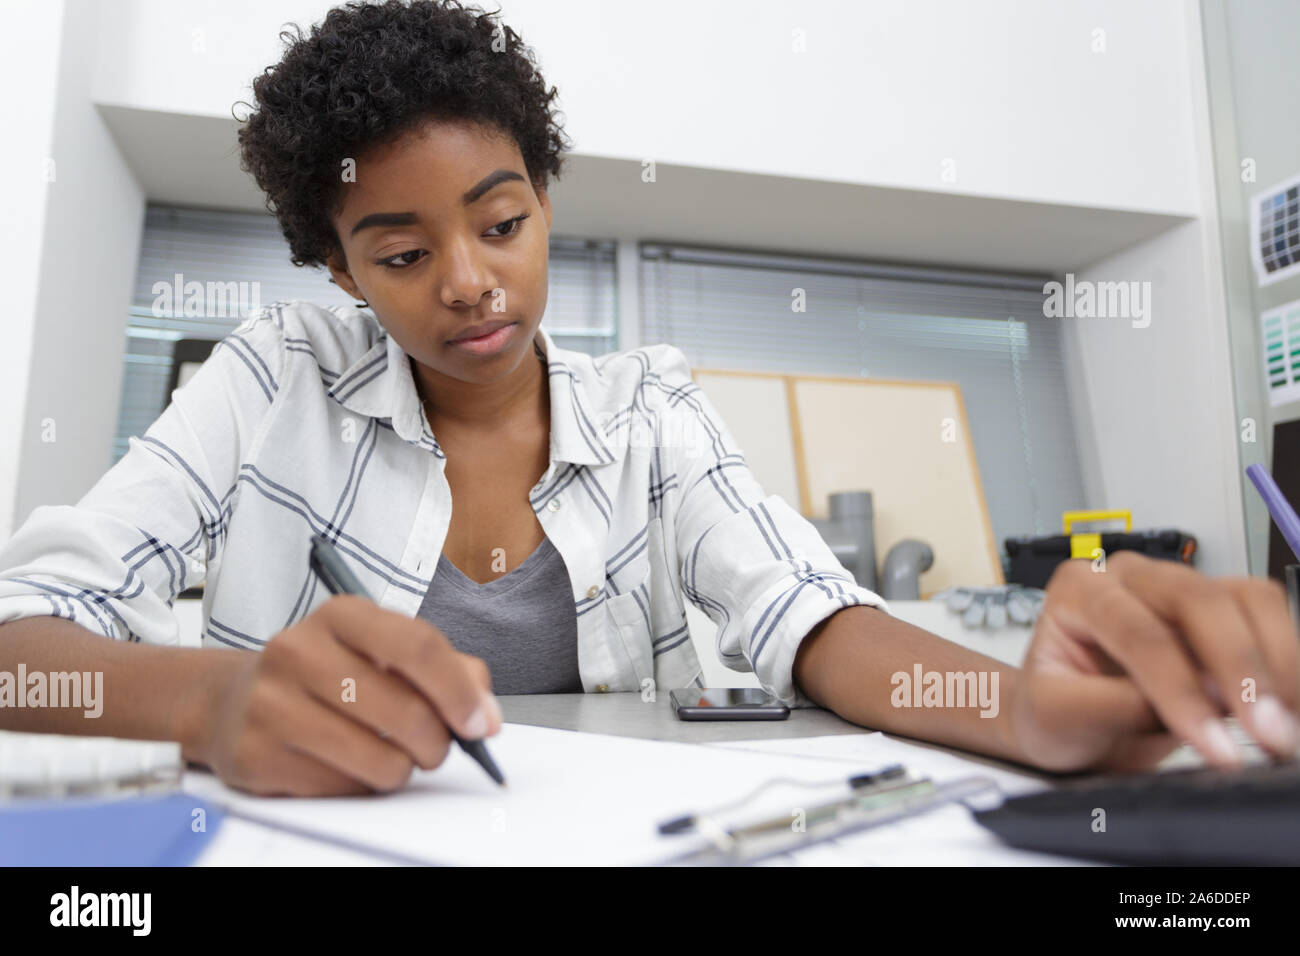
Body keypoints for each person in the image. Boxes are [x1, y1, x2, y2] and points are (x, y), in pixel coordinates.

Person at [0, 0, 1295, 797]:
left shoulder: (649, 415)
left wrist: (1012, 708)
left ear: (544, 203)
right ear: (338, 268)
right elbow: (21, 644)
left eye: (502, 222)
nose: (468, 282)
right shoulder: (271, 383)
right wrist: (213, 705)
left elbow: (814, 619)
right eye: (399, 254)